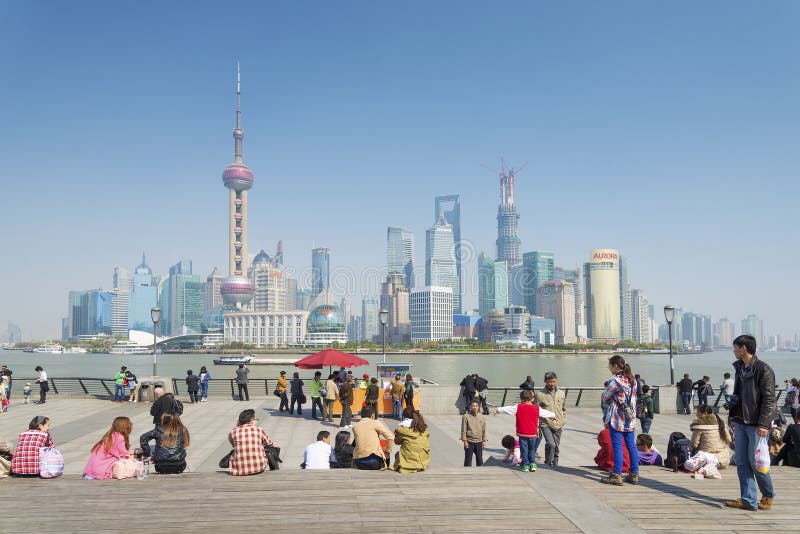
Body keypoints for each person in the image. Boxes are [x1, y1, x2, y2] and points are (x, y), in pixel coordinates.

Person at [725, 335, 777, 512]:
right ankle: (748, 499)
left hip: (756, 424)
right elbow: (739, 395)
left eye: (736, 347)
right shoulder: (740, 368)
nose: (734, 351)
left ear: (744, 348)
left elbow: (769, 400)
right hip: (740, 421)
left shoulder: (763, 370)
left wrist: (764, 424)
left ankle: (768, 494)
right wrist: (732, 417)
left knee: (757, 463)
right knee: (742, 462)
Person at [600, 354, 640, 486]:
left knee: (617, 447)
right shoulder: (633, 381)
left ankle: (617, 475)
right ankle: (634, 474)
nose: (609, 368)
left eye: (610, 366)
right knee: (631, 446)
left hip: (617, 418)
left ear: (615, 366)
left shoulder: (615, 381)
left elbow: (605, 397)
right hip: (630, 417)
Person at [496, 389, 547, 472]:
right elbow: (545, 413)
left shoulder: (518, 407)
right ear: (532, 399)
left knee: (524, 450)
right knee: (532, 450)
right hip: (532, 434)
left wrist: (498, 410)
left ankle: (525, 466)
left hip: (522, 434)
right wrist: (553, 415)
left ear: (521, 399)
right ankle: (533, 465)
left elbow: (507, 409)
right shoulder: (537, 408)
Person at [227, 409, 272, 476]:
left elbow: (234, 446)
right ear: (251, 421)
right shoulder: (259, 430)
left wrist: (238, 427)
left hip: (238, 469)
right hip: (259, 467)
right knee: (271, 450)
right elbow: (270, 444)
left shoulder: (233, 432)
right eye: (255, 419)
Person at [538, 372, 566, 467]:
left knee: (556, 445)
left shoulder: (561, 393)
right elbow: (536, 410)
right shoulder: (540, 394)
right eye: (549, 382)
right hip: (545, 423)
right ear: (545, 381)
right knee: (551, 444)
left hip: (558, 423)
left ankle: (555, 463)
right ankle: (548, 462)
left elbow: (563, 407)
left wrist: (563, 418)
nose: (552, 384)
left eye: (554, 381)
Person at [353, 405, 394, 470]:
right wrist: (387, 452)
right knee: (386, 452)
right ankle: (386, 468)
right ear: (372, 416)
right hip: (374, 463)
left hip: (359, 463)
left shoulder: (355, 426)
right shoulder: (375, 422)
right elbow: (390, 437)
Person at [394, 409, 430, 473]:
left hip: (408, 462)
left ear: (405, 417)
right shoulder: (424, 429)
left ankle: (405, 465)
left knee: (397, 454)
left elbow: (396, 442)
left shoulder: (402, 429)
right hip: (423, 462)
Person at [461, 400, 487, 467]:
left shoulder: (481, 416)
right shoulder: (466, 416)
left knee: (480, 460)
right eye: (473, 406)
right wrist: (465, 441)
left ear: (478, 407)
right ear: (470, 407)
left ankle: (480, 474)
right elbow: (463, 429)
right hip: (469, 441)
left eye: (476, 406)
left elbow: (483, 430)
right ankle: (467, 474)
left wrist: (484, 441)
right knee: (468, 460)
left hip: (479, 442)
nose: (474, 407)